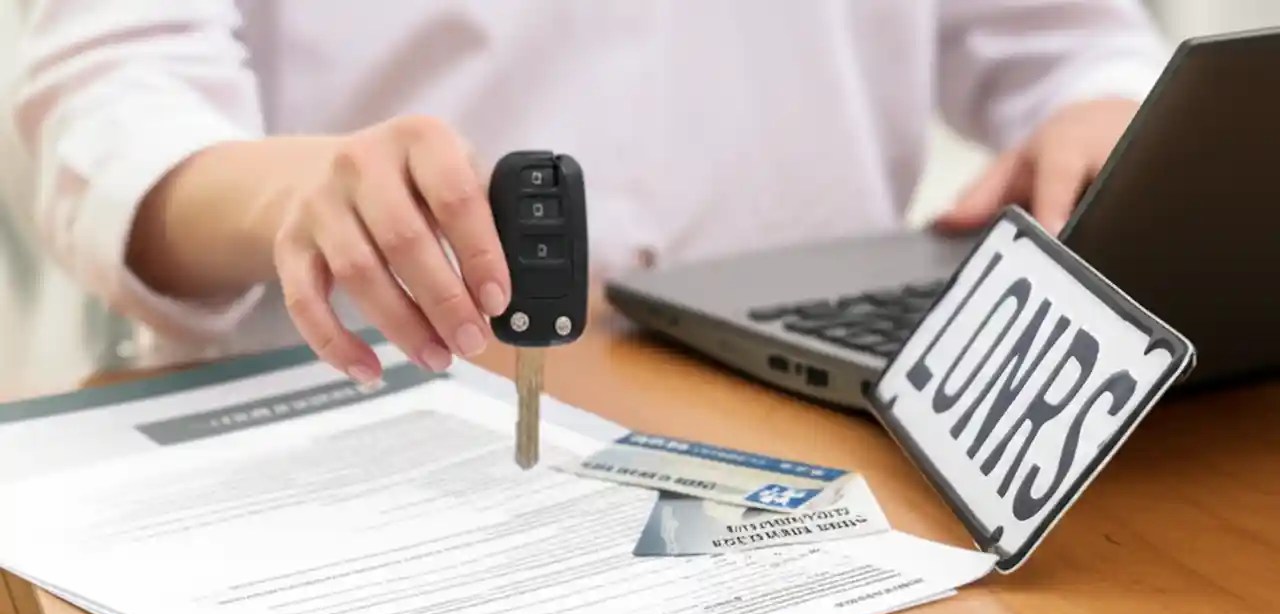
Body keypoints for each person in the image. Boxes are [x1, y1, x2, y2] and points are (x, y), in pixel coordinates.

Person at [5, 2, 1170, 387]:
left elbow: (1063, 39)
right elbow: (111, 96)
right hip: (378, 392)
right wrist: (288, 195)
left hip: (837, 393)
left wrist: (1104, 102)